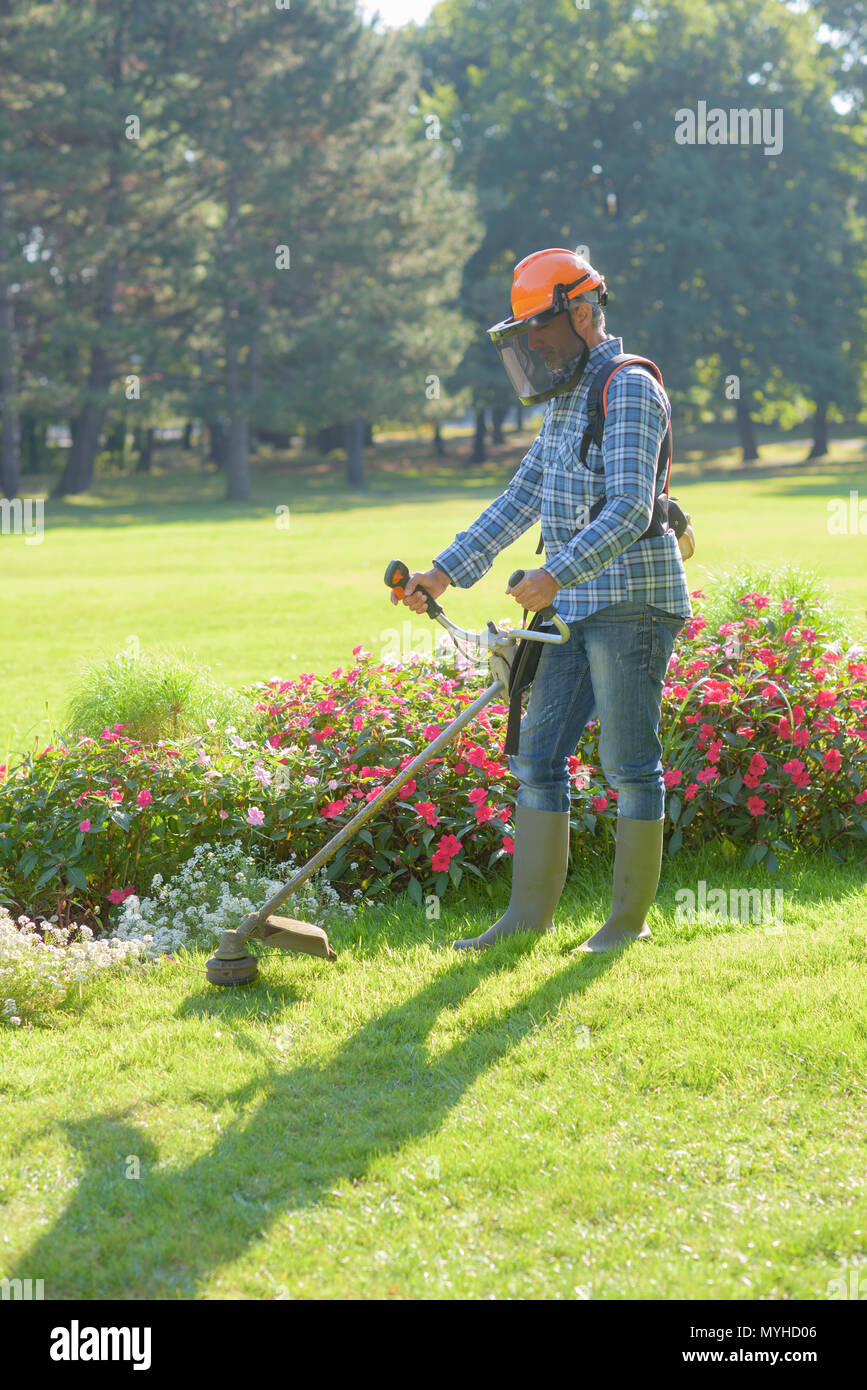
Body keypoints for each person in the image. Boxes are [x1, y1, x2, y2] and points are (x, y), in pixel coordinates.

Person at [395, 247, 692, 953]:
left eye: (543, 329)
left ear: (584, 315)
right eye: (524, 333)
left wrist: (555, 572)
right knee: (535, 755)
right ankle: (525, 920)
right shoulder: (564, 400)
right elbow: (521, 496)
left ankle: (624, 924)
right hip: (569, 606)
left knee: (628, 763)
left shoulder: (627, 389)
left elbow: (628, 508)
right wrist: (444, 571)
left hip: (631, 603)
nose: (533, 345)